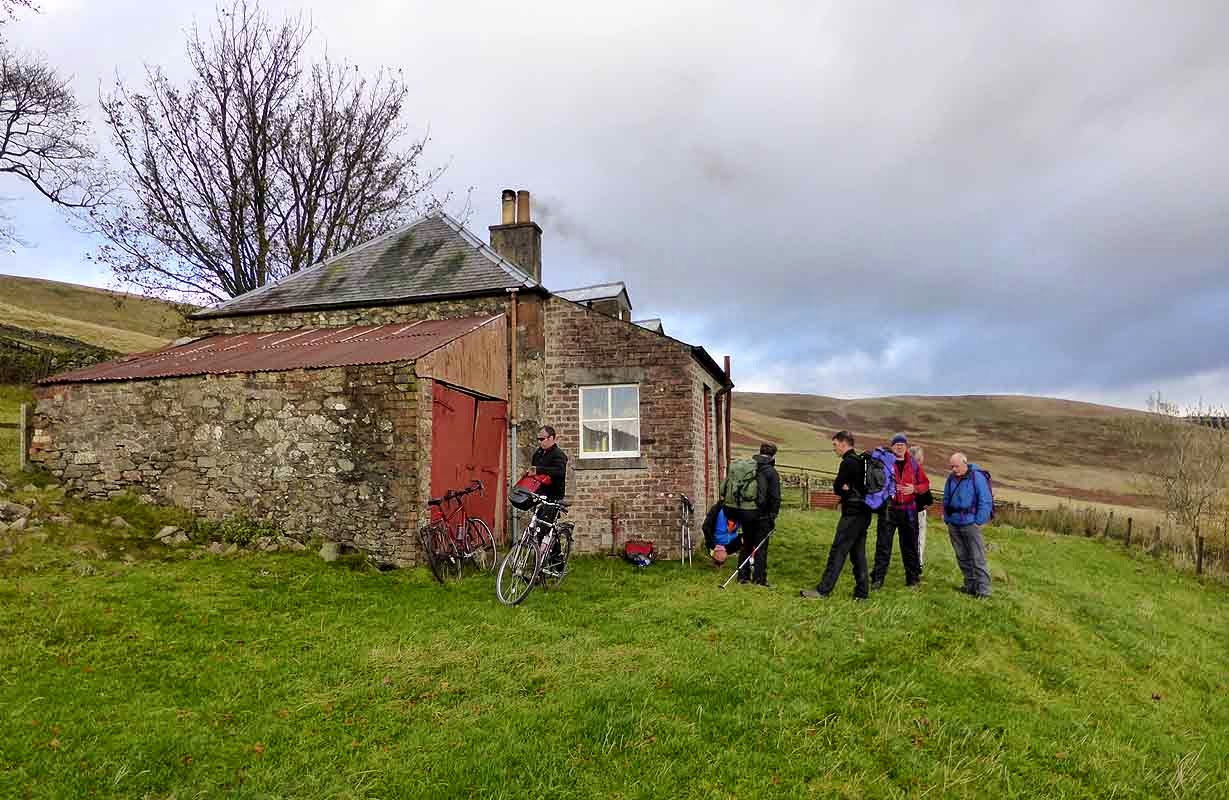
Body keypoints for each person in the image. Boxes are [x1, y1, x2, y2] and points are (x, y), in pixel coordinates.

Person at [801, 431, 872, 600]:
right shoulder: (863, 462)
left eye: (835, 445)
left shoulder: (848, 462)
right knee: (858, 553)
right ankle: (862, 593)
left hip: (852, 513)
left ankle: (823, 590)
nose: (834, 449)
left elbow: (838, 487)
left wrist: (843, 487)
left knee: (838, 550)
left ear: (843, 443)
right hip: (865, 513)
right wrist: (844, 487)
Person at [870, 433, 929, 589]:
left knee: (909, 546)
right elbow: (875, 481)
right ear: (893, 446)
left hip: (909, 511)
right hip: (889, 510)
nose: (900, 447)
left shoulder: (914, 465)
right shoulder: (885, 462)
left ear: (906, 447)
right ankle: (877, 579)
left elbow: (925, 484)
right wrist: (887, 488)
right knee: (883, 545)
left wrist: (914, 489)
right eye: (897, 444)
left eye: (902, 444)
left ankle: (913, 579)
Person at [942, 452, 993, 597]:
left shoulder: (976, 477)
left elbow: (985, 500)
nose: (954, 470)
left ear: (965, 463)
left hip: (970, 523)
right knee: (962, 556)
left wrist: (978, 521)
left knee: (978, 557)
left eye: (956, 466)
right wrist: (947, 518)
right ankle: (970, 586)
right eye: (952, 466)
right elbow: (946, 498)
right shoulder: (951, 478)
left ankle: (984, 591)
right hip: (954, 523)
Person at [736, 442, 781, 585]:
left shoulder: (750, 468)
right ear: (773, 455)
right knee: (761, 547)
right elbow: (775, 496)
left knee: (747, 544)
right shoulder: (771, 472)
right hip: (763, 515)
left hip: (747, 512)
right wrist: (773, 515)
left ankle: (742, 577)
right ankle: (759, 578)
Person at [529, 425, 568, 567]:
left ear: (551, 438)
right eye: (538, 439)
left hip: (553, 497)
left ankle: (540, 566)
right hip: (540, 495)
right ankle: (557, 563)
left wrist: (539, 470)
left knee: (544, 530)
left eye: (542, 439)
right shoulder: (538, 454)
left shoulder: (559, 455)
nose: (540, 442)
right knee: (542, 529)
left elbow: (559, 472)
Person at [910, 445, 930, 566]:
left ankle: (910, 560)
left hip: (903, 509)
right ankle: (918, 562)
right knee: (919, 536)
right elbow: (927, 497)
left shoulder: (903, 471)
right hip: (918, 510)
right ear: (919, 459)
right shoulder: (919, 472)